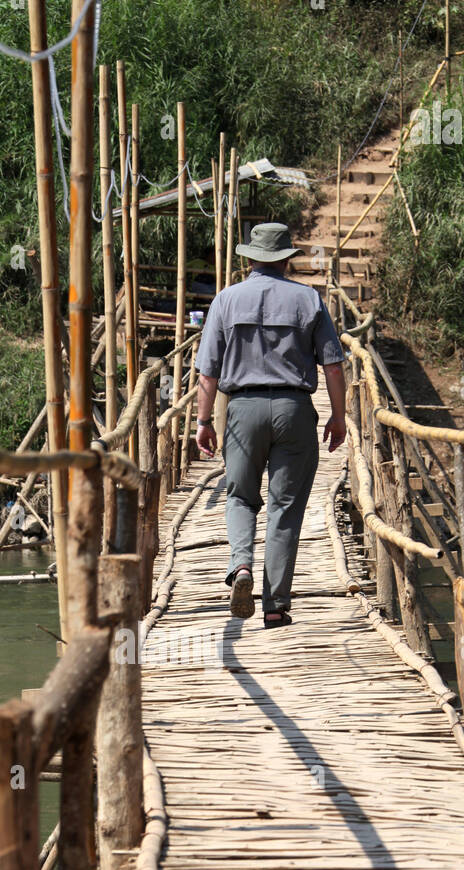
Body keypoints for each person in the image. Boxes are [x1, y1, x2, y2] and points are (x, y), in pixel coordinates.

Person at [194, 221, 347, 628]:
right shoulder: (308, 301)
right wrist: (339, 416)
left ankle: (241, 566)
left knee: (241, 495)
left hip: (242, 410)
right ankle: (276, 606)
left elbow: (207, 374)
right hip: (295, 410)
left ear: (250, 257)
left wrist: (204, 421)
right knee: (285, 508)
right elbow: (333, 366)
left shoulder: (226, 300)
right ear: (285, 259)